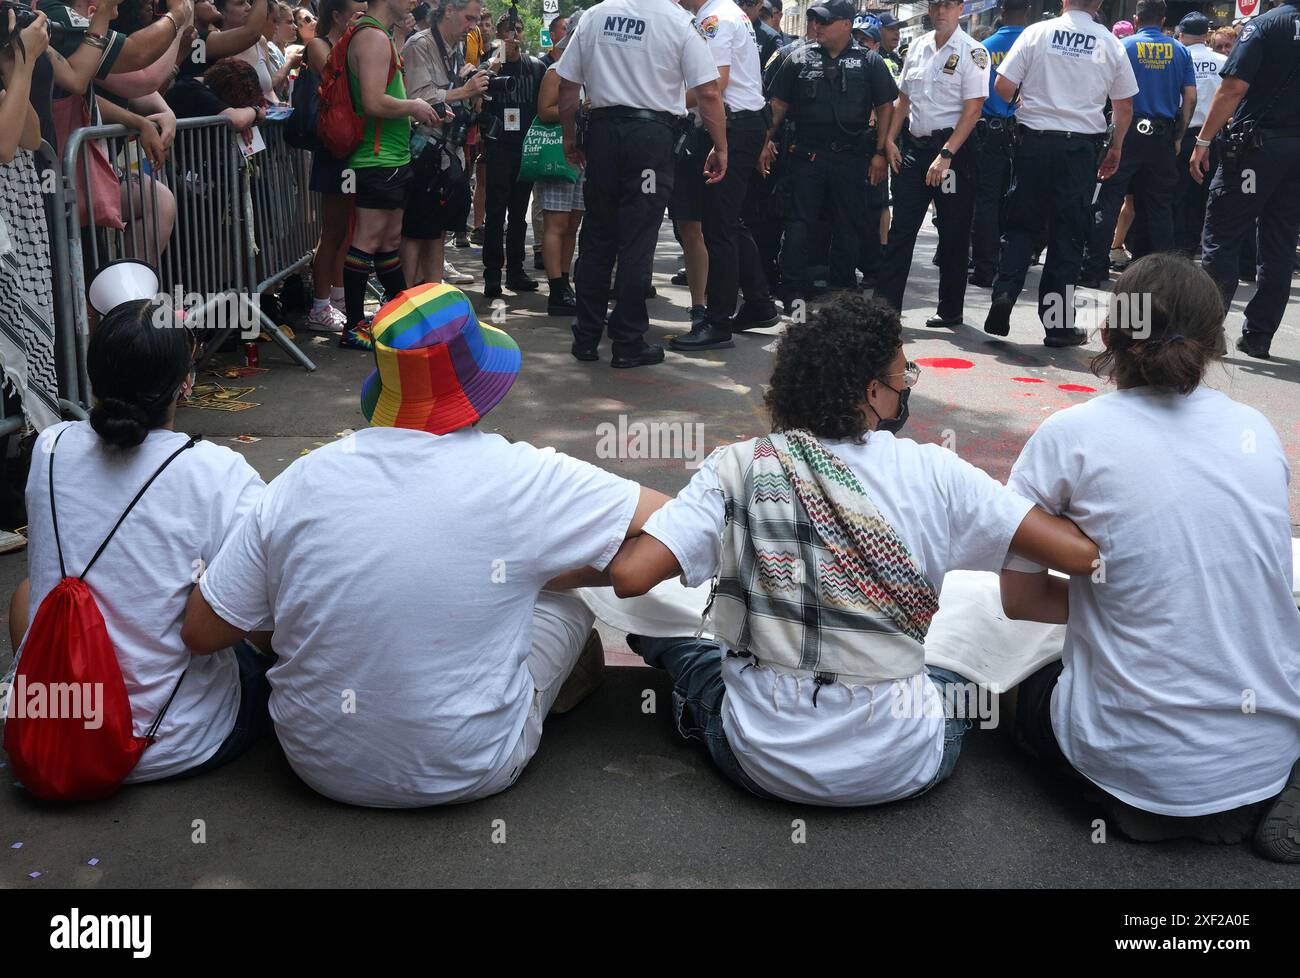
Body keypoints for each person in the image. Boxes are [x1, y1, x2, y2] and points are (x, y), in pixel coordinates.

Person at [182, 284, 671, 808]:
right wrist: (550, 571)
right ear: (481, 383)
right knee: (568, 608)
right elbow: (676, 521)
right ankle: (532, 696)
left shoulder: (302, 479)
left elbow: (203, 630)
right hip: (472, 767)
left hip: (315, 764)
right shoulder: (523, 476)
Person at [605, 294, 1099, 807]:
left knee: (676, 637)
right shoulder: (937, 472)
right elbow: (1079, 556)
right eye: (902, 375)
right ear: (872, 391)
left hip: (762, 764)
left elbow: (631, 577)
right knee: (955, 664)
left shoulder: (739, 467)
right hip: (904, 762)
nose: (906, 386)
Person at [1002, 254, 1300, 863]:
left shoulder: (1069, 435)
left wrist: (1120, 601)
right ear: (1217, 341)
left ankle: (1149, 800)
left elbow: (1020, 597)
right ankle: (1246, 787)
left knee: (1014, 693)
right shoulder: (1257, 430)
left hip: (1128, 768)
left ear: (1109, 334)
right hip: (1266, 751)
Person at [11, 299, 269, 783]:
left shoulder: (50, 448)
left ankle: (33, 696)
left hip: (56, 733)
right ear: (185, 382)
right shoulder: (217, 472)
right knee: (249, 639)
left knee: (27, 593)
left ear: (94, 381)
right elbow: (264, 595)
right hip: (172, 743)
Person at [557, 0, 727, 368]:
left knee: (597, 236)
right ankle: (628, 340)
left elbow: (568, 84)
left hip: (603, 135)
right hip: (650, 140)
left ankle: (586, 336)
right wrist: (721, 145)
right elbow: (709, 92)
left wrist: (570, 137)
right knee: (637, 239)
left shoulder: (595, 16)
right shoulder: (678, 21)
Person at [981, 0, 1138, 346]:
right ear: (1098, 5)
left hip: (1034, 143)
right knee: (1067, 235)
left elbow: (1003, 87)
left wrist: (1024, 105)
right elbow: (1124, 106)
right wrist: (1116, 146)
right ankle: (1057, 326)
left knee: (1020, 225)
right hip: (1080, 150)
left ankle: (1004, 294)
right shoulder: (1109, 42)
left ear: (1065, 1)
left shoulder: (1037, 33)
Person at [765, 0, 896, 310]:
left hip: (851, 158)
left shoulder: (870, 62)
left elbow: (886, 107)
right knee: (798, 224)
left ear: (846, 24)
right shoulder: (797, 58)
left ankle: (843, 288)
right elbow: (778, 105)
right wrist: (764, 142)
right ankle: (793, 288)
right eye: (814, 21)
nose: (816, 27)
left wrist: (880, 153)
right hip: (806, 156)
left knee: (848, 225)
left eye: (824, 21)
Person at [1191, 0, 1300, 361]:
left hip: (1258, 149)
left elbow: (1233, 87)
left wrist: (1203, 140)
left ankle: (1206, 331)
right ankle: (1259, 335)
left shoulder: (1266, 26)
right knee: (1280, 242)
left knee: (1223, 234)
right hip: (1292, 153)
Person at [670, 0, 781, 352]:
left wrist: (664, 97)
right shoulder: (725, 13)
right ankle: (759, 304)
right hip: (739, 123)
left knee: (718, 227)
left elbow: (714, 83)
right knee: (728, 222)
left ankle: (717, 323)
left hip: (732, 125)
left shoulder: (715, 18)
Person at [874, 0, 988, 328]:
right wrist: (890, 140)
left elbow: (973, 110)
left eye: (948, 5)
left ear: (960, 8)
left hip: (953, 153)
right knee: (900, 231)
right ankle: (885, 309)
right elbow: (904, 100)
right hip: (915, 150)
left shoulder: (972, 51)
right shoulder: (919, 47)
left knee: (953, 233)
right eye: (936, 5)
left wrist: (947, 155)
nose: (940, 12)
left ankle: (950, 309)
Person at [338, 0, 438, 350]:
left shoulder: (379, 35)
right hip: (376, 159)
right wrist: (416, 106)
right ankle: (353, 326)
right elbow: (373, 102)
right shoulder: (372, 37)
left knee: (389, 242)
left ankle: (401, 317)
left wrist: (416, 112)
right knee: (367, 240)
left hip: (390, 158)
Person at [1079, 0, 1195, 289]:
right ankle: (1162, 277)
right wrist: (1178, 137)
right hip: (1162, 136)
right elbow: (1190, 97)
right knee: (1159, 206)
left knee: (1110, 200)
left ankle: (1094, 269)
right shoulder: (1179, 50)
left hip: (1127, 130)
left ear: (1136, 18)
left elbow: (1101, 87)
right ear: (1164, 19)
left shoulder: (1123, 46)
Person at [400, 0, 487, 287]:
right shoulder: (420, 44)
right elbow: (417, 96)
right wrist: (464, 89)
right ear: (449, 10)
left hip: (448, 153)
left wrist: (466, 86)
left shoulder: (455, 48)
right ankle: (405, 303)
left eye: (476, 20)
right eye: (469, 18)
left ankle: (433, 296)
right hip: (422, 152)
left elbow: (449, 92)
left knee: (438, 232)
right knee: (415, 232)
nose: (472, 26)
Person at [302, 0, 364, 332]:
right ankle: (319, 306)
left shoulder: (354, 42)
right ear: (337, 15)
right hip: (333, 148)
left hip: (352, 146)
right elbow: (338, 79)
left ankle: (339, 298)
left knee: (349, 230)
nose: (361, 16)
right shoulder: (317, 44)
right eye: (355, 12)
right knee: (332, 231)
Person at [480, 11, 546, 298]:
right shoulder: (490, 67)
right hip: (498, 148)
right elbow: (477, 101)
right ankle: (492, 275)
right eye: (509, 30)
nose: (514, 35)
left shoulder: (535, 68)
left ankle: (516, 271)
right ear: (499, 34)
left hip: (526, 148)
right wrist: (493, 66)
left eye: (518, 30)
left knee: (519, 215)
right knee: (495, 214)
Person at [968, 0, 1028, 289]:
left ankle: (984, 268)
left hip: (989, 132)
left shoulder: (983, 48)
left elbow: (972, 92)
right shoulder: (1034, 43)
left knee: (987, 202)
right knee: (1023, 198)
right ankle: (1015, 262)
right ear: (1027, 10)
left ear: (1000, 12)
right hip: (1028, 133)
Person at [534, 10, 585, 316]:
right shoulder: (556, 70)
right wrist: (578, 109)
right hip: (558, 156)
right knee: (556, 223)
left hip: (582, 158)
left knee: (572, 226)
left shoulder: (587, 71)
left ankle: (565, 284)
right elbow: (544, 111)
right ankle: (556, 288)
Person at [1170, 11, 1224, 254]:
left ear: (1181, 34)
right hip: (1214, 137)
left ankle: (1177, 248)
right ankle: (1196, 245)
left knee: (1176, 195)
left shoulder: (1177, 56)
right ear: (1207, 35)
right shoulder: (1223, 61)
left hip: (1182, 135)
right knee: (1207, 197)